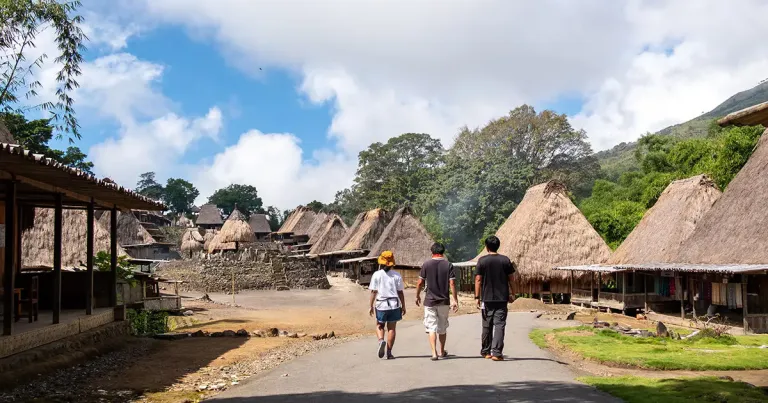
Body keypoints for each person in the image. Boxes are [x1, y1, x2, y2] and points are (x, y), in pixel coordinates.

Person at [475, 235, 515, 361]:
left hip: (486, 299)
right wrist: (513, 293)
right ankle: (497, 353)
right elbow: (511, 279)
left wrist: (477, 297)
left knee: (487, 325)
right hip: (502, 298)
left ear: (486, 247)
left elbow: (478, 279)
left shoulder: (482, 261)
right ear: (498, 246)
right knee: (499, 325)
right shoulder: (505, 260)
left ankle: (486, 352)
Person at [415, 243, 459, 361]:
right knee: (442, 328)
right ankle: (441, 351)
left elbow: (420, 283)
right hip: (444, 301)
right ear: (443, 252)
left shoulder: (426, 264)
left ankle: (434, 353)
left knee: (431, 327)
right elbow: (452, 283)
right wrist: (455, 300)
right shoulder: (448, 265)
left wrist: (417, 296)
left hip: (430, 301)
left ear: (432, 252)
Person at [368, 250, 406, 359]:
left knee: (379, 325)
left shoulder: (377, 275)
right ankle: (389, 353)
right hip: (394, 304)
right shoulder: (397, 275)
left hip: (381, 304)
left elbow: (374, 292)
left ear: (381, 262)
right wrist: (403, 305)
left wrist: (370, 306)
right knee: (392, 328)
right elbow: (400, 292)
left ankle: (381, 341)